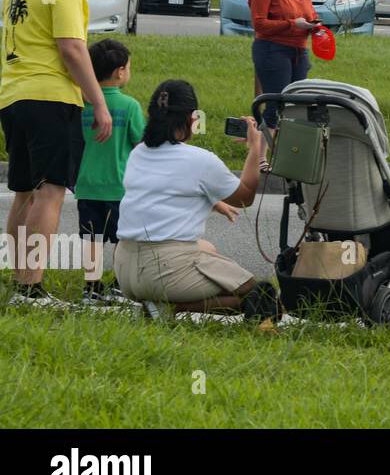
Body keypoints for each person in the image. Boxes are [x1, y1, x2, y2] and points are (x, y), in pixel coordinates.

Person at [1, 0, 111, 307]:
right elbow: (72, 47)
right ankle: (31, 288)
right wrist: (98, 101)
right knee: (50, 192)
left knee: (24, 193)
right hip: (51, 96)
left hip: (13, 95)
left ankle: (18, 281)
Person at [114, 80, 279, 320]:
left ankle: (155, 301)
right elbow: (245, 197)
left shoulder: (138, 152)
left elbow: (163, 190)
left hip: (125, 269)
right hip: (163, 272)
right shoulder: (201, 160)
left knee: (207, 248)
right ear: (192, 118)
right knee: (254, 292)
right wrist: (255, 150)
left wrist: (213, 202)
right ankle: (169, 309)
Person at [75, 39, 145, 306]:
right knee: (122, 239)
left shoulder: (83, 104)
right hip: (119, 186)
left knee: (91, 238)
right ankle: (118, 285)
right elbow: (140, 142)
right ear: (119, 71)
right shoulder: (130, 106)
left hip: (87, 184)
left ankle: (91, 289)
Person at [249, 0, 319, 129]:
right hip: (272, 49)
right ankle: (262, 152)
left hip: (299, 50)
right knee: (276, 102)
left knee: (297, 101)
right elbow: (259, 24)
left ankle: (288, 147)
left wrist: (315, 25)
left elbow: (310, 14)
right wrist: (292, 24)